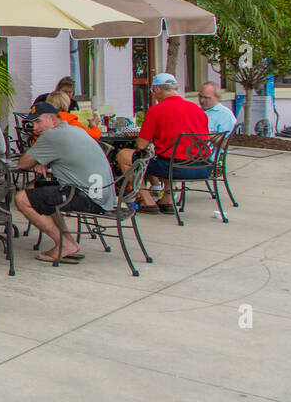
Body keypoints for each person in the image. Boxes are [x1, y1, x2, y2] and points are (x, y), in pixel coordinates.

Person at [15, 101, 114, 262]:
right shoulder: (73, 129)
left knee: (21, 198)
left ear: (53, 120)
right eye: (33, 123)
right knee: (34, 188)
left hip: (88, 197)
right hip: (102, 194)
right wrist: (42, 160)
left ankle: (64, 244)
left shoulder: (52, 135)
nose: (35, 128)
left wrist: (39, 160)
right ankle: (69, 242)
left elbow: (23, 163)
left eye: (38, 121)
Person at [116, 73, 208, 212]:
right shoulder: (197, 109)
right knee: (167, 153)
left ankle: (148, 201)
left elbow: (141, 145)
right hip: (202, 166)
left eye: (153, 91)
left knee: (124, 155)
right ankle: (168, 199)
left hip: (174, 167)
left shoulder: (156, 110)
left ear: (158, 89)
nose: (153, 94)